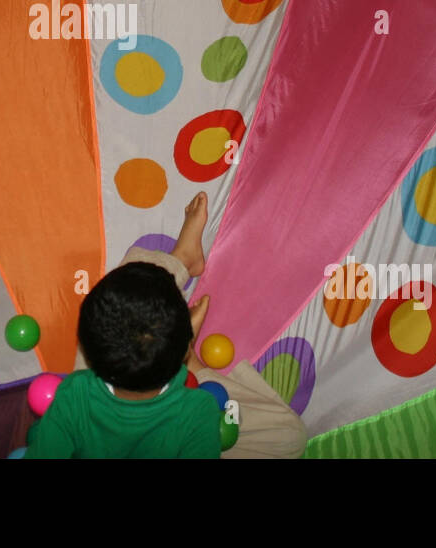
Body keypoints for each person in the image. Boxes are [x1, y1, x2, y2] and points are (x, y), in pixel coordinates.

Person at [25, 193, 308, 459]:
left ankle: (183, 259)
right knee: (289, 434)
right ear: (183, 349)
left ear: (86, 350)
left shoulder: (74, 395)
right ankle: (194, 359)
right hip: (178, 377)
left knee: (122, 296)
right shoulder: (198, 411)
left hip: (122, 376)